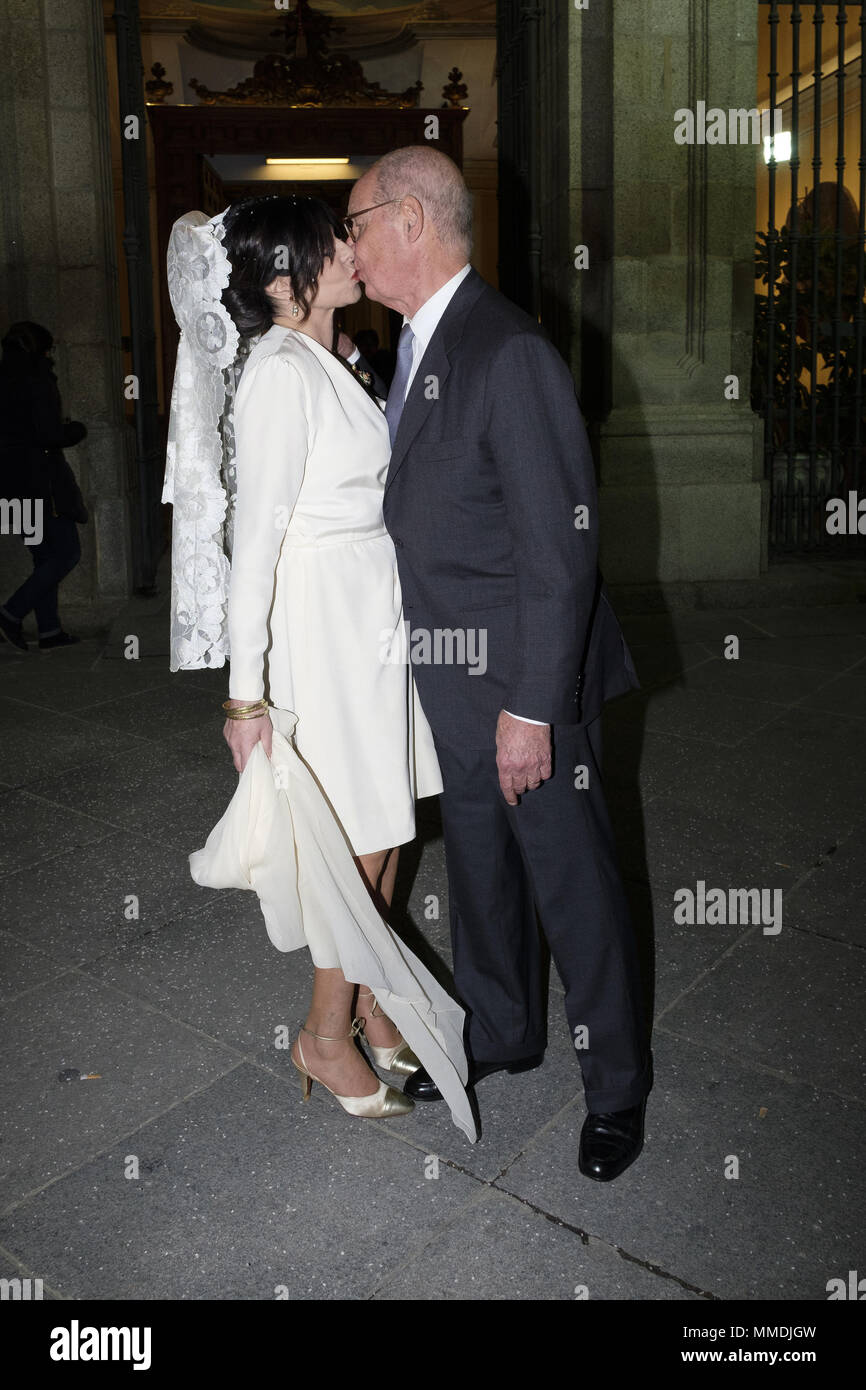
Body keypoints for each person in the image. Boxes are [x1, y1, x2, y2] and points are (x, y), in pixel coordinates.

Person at [346, 146, 652, 1180]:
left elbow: (558, 547)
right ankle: (505, 1032)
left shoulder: (503, 348)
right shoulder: (419, 347)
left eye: (354, 223)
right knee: (480, 878)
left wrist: (530, 707)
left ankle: (614, 1087)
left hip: (527, 689)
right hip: (453, 685)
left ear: (409, 221)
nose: (348, 245)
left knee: (573, 890)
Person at [162, 195, 475, 1139]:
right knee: (362, 841)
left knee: (385, 826)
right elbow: (252, 547)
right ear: (281, 281)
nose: (350, 250)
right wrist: (245, 694)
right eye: (329, 242)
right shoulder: (279, 376)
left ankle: (372, 1006)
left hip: (366, 620)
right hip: (321, 628)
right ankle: (324, 1035)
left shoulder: (332, 359)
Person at [0, 322, 88, 651]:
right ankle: (11, 612)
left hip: (11, 483)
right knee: (67, 552)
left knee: (43, 555)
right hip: (40, 480)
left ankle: (49, 630)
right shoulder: (36, 378)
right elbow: (48, 434)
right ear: (41, 349)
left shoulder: (6, 376)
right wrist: (75, 430)